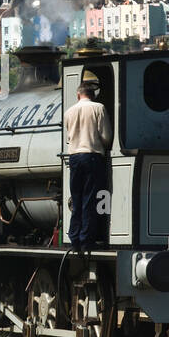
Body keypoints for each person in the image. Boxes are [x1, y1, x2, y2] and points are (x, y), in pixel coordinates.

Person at [64, 77, 112, 250]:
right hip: (92, 156)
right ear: (93, 95)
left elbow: (69, 138)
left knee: (76, 199)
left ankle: (74, 238)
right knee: (89, 199)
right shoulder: (98, 108)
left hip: (74, 157)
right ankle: (86, 240)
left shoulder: (69, 112)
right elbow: (106, 137)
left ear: (78, 95)